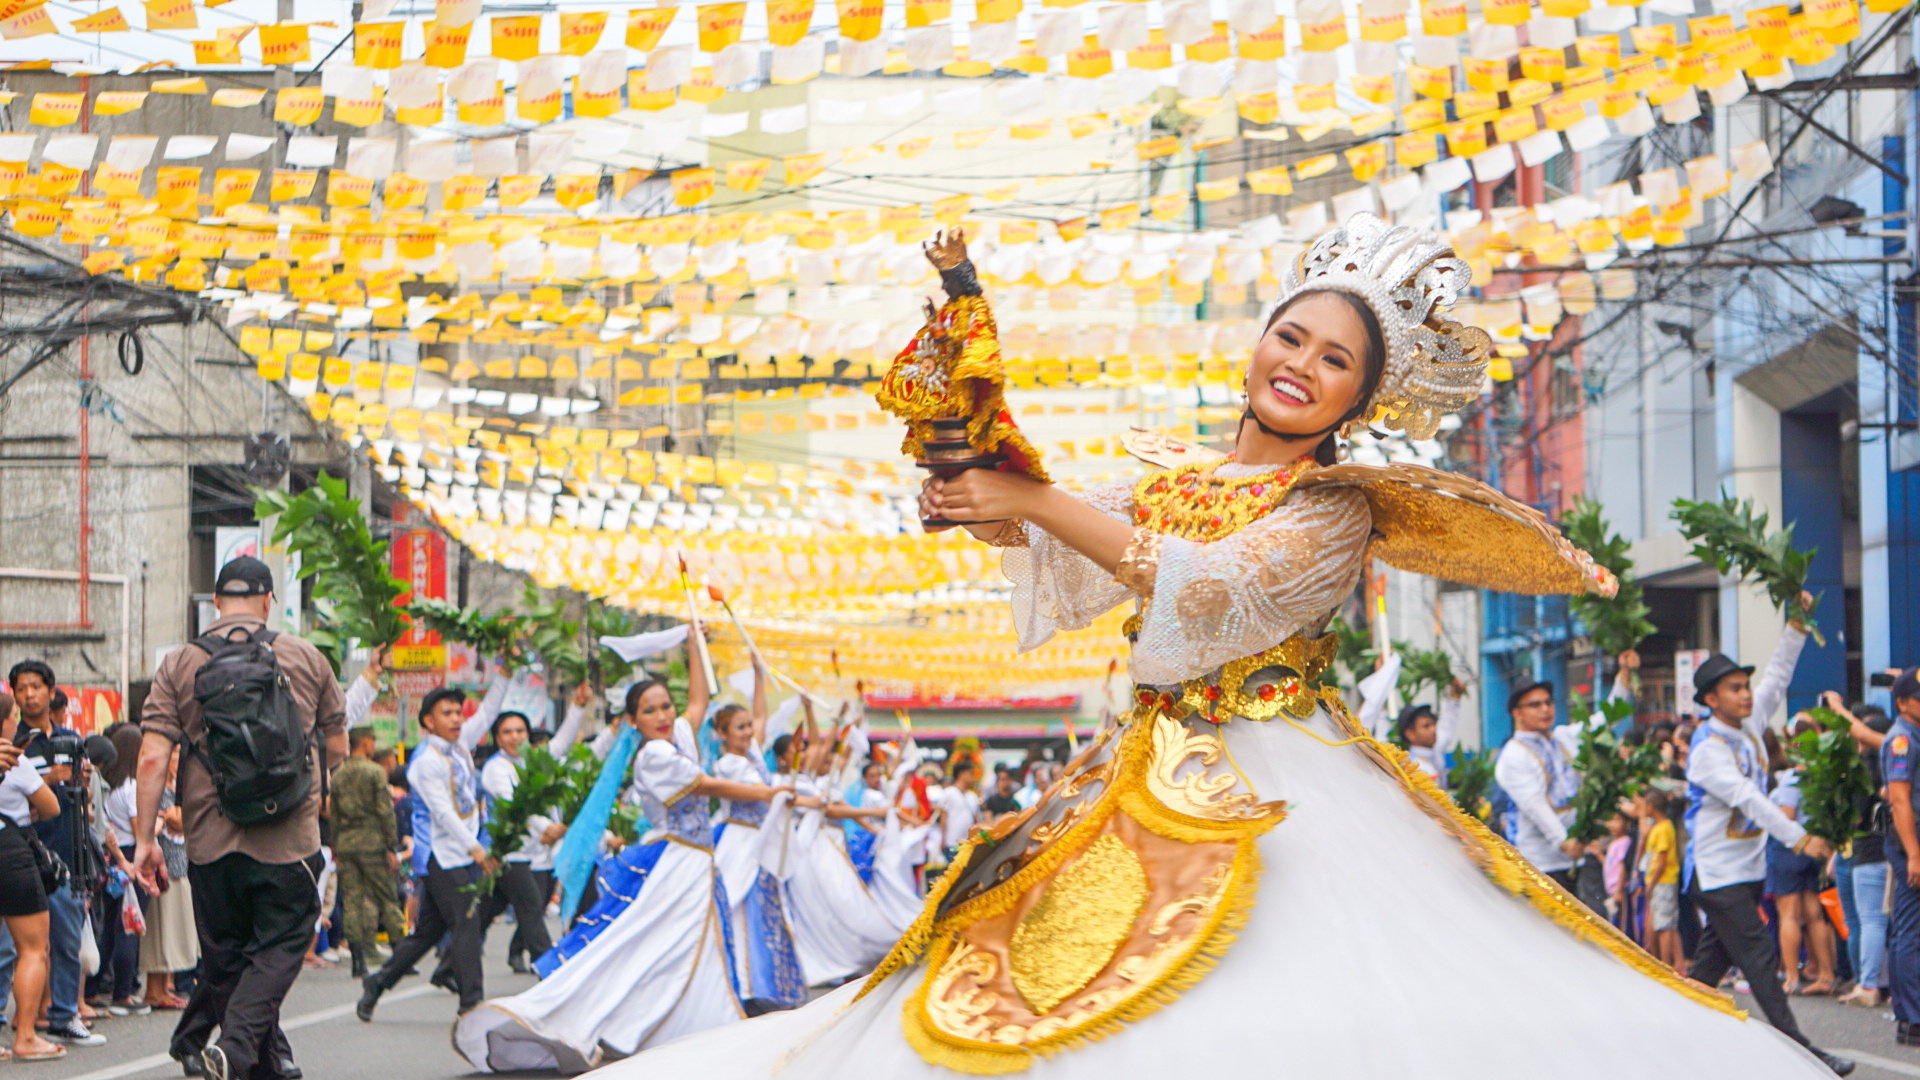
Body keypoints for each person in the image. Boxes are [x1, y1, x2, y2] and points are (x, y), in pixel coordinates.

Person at [583, 216, 1847, 1079]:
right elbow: (1081, 573)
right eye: (1292, 337)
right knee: (1044, 986)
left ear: (1359, 398)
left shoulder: (1335, 509)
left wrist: (1031, 502)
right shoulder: (1170, 476)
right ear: (1261, 344)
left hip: (1285, 774)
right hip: (1140, 770)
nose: (1302, 365)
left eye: (1335, 359)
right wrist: (984, 497)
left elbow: (1209, 591)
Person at [451, 653, 790, 1073]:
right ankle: (609, 1021)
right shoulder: (653, 757)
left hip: (699, 864)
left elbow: (699, 702)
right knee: (646, 948)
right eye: (649, 711)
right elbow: (708, 784)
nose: (663, 715)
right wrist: (770, 794)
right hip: (676, 865)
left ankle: (696, 1025)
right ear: (633, 721)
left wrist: (692, 641)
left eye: (666, 705)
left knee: (685, 949)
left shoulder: (679, 737)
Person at [133, 555, 348, 1080]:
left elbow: (151, 758)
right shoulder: (305, 655)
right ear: (268, 600)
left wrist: (144, 840)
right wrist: (315, 800)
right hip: (289, 840)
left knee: (228, 959)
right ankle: (235, 1050)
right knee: (281, 944)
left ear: (215, 601)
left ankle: (256, 1061)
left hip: (209, 840)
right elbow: (338, 748)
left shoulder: (179, 663)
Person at [1683, 617, 1851, 1072]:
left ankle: (1672, 1038)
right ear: (1711, 700)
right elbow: (1748, 798)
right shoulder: (1706, 749)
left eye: (1745, 686)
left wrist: (1796, 628)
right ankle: (1801, 1054)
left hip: (1748, 869)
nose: (1745, 693)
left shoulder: (1751, 724)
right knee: (1759, 955)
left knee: (1706, 971)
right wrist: (1798, 839)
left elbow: (1777, 677)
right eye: (1734, 688)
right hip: (1718, 873)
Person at [357, 687, 491, 1019]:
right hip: (439, 856)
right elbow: (443, 812)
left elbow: (488, 714)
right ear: (428, 721)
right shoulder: (424, 762)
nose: (457, 718)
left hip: (459, 854)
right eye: (448, 713)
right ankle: (472, 1005)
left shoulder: (459, 746)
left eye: (459, 712)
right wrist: (476, 848)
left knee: (428, 932)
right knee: (467, 922)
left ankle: (378, 983)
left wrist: (504, 670)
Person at [5, 659, 104, 1047]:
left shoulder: (69, 739)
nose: (28, 695)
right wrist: (48, 780)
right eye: (21, 689)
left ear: (51, 690)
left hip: (63, 854)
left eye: (35, 687)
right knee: (11, 947)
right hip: (20, 851)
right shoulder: (12, 742)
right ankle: (9, 1020)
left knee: (65, 940)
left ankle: (64, 1015)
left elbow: (81, 800)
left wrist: (82, 785)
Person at [707, 657, 806, 1015]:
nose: (749, 732)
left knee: (763, 910)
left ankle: (760, 985)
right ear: (722, 734)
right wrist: (786, 795)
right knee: (738, 910)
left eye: (748, 726)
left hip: (759, 841)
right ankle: (742, 987)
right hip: (739, 841)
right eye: (740, 728)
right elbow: (757, 793)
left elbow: (762, 718)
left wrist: (760, 677)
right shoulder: (728, 764)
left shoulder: (750, 755)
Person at [474, 683, 591, 976]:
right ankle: (551, 971)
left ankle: (450, 963)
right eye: (507, 732)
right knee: (531, 907)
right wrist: (549, 827)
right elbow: (516, 805)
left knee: (483, 915)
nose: (515, 737)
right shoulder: (495, 768)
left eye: (520, 731)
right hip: (506, 853)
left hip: (534, 853)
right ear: (497, 739)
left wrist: (577, 707)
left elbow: (561, 744)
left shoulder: (533, 761)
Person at [0, 687, 69, 1061]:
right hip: (10, 853)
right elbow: (52, 805)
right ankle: (25, 1035)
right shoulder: (15, 759)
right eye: (12, 716)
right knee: (32, 948)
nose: (16, 722)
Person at [1828, 694, 1892, 1008]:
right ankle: (1886, 983)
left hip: (1867, 852)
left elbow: (1855, 815)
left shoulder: (1864, 772)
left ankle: (1868, 983)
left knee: (1869, 921)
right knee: (1892, 923)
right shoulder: (1894, 768)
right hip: (1892, 850)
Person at [1493, 680, 1586, 891]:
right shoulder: (1513, 754)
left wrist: (1624, 679)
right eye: (1535, 705)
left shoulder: (1562, 737)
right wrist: (1564, 841)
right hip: (1540, 863)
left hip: (1575, 857)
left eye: (1548, 702)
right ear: (1517, 713)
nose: (1545, 709)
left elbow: (1602, 723)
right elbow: (1534, 804)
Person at [330, 722, 403, 980]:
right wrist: (391, 846)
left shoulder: (338, 774)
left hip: (347, 844)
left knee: (351, 901)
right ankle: (401, 956)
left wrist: (337, 843)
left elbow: (334, 816)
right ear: (367, 743)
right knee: (387, 898)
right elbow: (385, 811)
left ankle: (358, 962)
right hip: (372, 843)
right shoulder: (375, 772)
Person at [1768, 720, 1836, 996]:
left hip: (1790, 849)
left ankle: (1792, 978)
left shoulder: (1793, 777)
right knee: (1815, 915)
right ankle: (1827, 975)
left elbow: (1786, 817)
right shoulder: (1824, 775)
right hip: (1817, 848)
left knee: (1789, 916)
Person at [93, 721, 152, 1015]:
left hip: (113, 858)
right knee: (129, 925)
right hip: (132, 856)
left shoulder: (110, 784)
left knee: (109, 926)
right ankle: (123, 993)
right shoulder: (133, 788)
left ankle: (93, 990)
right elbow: (139, 828)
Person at [138, 745, 197, 1012]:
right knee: (161, 930)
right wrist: (177, 819)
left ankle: (163, 987)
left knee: (174, 930)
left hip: (180, 864)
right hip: (162, 868)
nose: (177, 760)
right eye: (173, 754)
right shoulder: (157, 787)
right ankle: (153, 990)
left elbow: (184, 819)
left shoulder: (177, 787)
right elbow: (173, 820)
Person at [1880, 667, 1920, 1045]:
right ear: (1903, 703)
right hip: (1912, 839)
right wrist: (1914, 855)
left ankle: (1911, 1015)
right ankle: (1912, 1018)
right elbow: (1900, 799)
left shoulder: (1913, 734)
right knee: (1910, 930)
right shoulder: (1902, 740)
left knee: (1911, 928)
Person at [1641, 789, 1682, 972]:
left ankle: (1667, 965)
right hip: (1656, 882)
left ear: (1651, 807)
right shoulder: (1656, 828)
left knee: (1665, 925)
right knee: (1656, 923)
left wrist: (1652, 883)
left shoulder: (1665, 828)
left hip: (1663, 881)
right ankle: (1658, 959)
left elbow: (1662, 860)